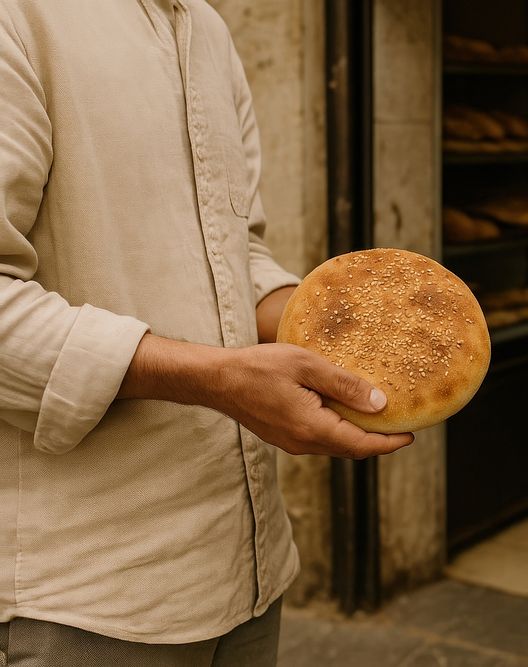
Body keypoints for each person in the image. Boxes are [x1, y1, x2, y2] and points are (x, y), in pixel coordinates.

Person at [0, 0, 411, 664]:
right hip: (86, 597)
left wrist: (337, 324)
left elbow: (235, 252)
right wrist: (216, 379)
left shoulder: (209, 28)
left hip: (247, 572)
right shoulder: (19, 19)